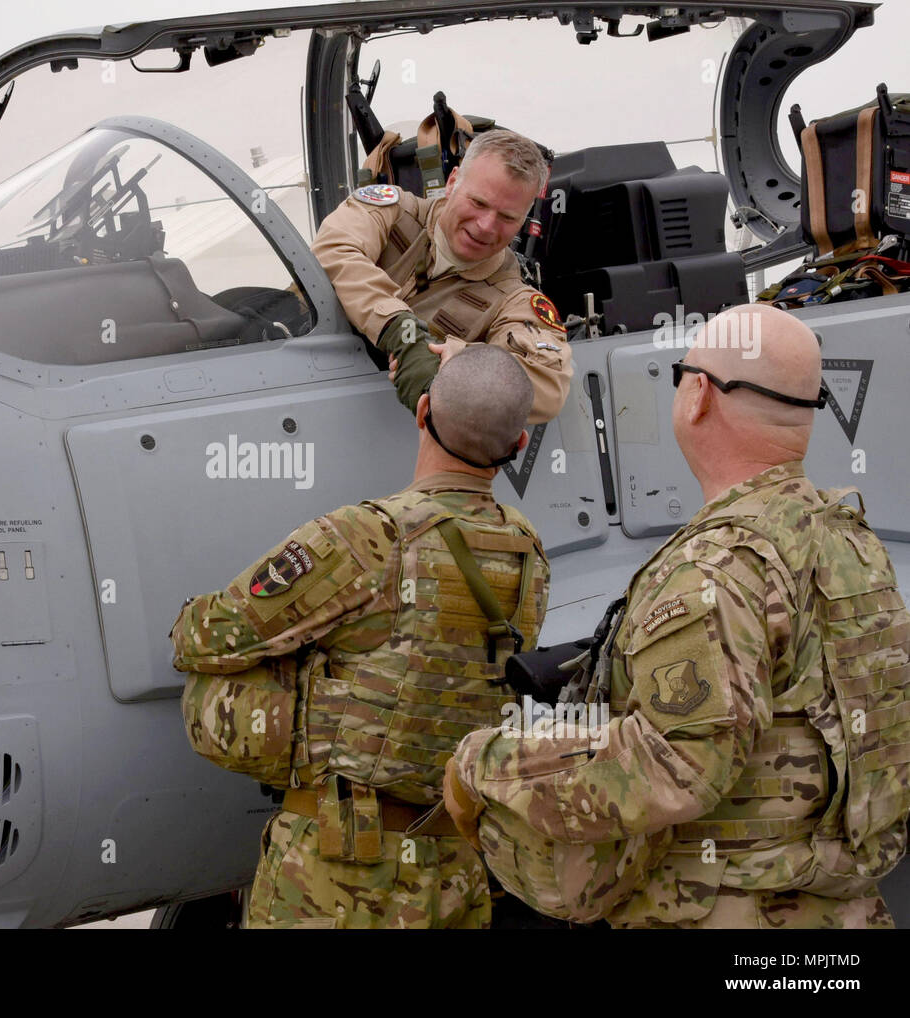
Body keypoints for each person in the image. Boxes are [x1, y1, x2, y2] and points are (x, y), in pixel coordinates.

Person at [444, 304, 910, 928]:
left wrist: (485, 763)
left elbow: (674, 766)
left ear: (698, 395)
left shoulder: (714, 568)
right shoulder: (851, 542)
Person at [173, 345, 550, 928]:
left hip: (336, 877)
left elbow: (209, 637)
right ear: (519, 446)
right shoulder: (528, 553)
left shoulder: (369, 536)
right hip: (453, 871)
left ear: (422, 410)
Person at [311, 128, 572, 423]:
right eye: (479, 203)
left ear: (522, 219)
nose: (486, 225)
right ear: (452, 183)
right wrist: (400, 329)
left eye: (507, 217)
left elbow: (549, 385)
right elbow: (333, 250)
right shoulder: (392, 212)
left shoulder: (513, 300)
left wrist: (456, 363)